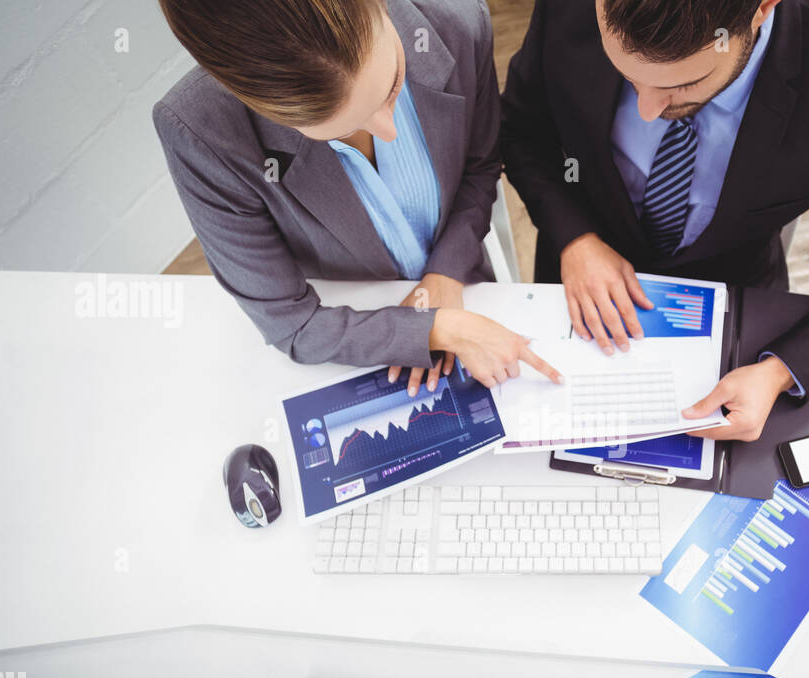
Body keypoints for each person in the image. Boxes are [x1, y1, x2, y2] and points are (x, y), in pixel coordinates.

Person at [500, 0, 809, 441]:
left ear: (762, 9)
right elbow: (520, 129)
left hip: (740, 314)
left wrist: (781, 370)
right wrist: (576, 238)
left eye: (685, 83)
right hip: (573, 285)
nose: (647, 109)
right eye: (627, 77)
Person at [154, 0, 560, 395]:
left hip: (467, 284)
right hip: (344, 328)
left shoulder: (457, 21)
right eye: (337, 131)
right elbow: (291, 324)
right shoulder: (200, 132)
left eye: (393, 84)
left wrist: (447, 272)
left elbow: (480, 165)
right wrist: (434, 329)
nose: (388, 132)